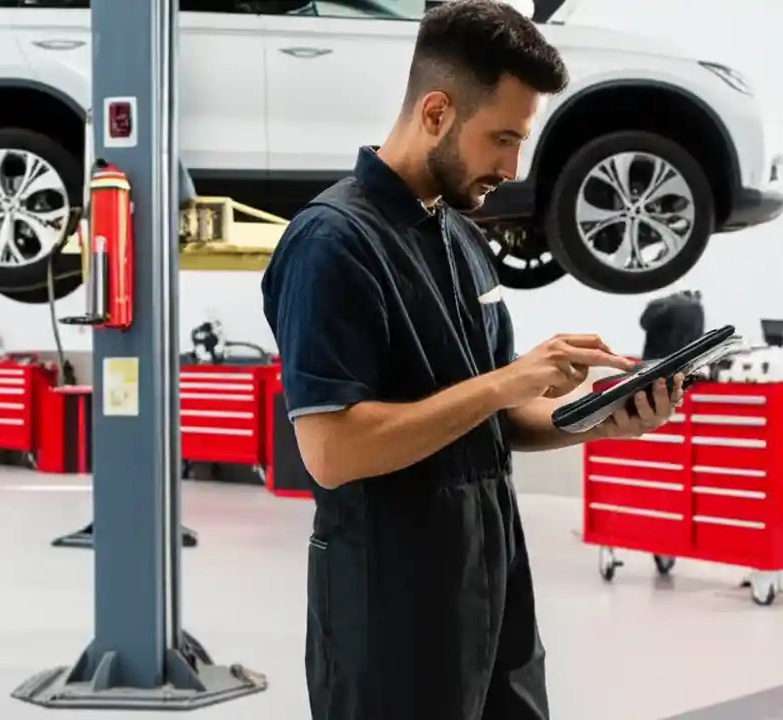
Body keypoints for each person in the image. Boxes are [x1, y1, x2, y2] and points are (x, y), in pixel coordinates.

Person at [259, 2, 684, 719]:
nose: (513, 167)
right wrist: (503, 382)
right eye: (503, 139)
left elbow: (501, 418)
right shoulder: (332, 244)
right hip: (386, 606)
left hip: (492, 586)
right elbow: (330, 451)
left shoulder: (461, 239)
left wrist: (597, 420)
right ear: (435, 112)